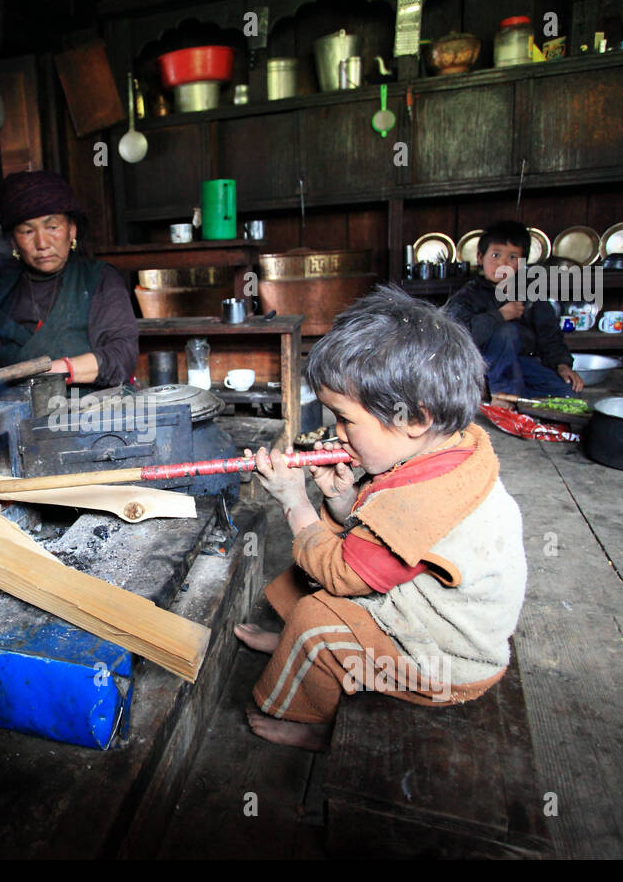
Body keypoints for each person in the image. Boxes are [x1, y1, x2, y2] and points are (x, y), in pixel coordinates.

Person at [236, 286, 527, 750]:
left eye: (347, 419)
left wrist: (295, 502)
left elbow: (345, 573)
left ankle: (318, 724)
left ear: (415, 417)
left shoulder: (424, 501)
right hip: (418, 604)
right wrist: (343, 500)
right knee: (313, 555)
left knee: (317, 615)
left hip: (449, 658)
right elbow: (379, 541)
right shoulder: (447, 445)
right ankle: (289, 644)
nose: (337, 432)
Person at [0, 171, 138, 387]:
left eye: (52, 227)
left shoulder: (100, 279)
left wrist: (58, 370)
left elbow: (121, 357)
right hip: (17, 412)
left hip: (92, 411)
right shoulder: (0, 290)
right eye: (27, 231)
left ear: (71, 230)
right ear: (13, 242)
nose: (42, 243)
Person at [444, 220, 584, 397]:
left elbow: (549, 334)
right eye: (495, 255)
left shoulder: (530, 293)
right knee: (507, 331)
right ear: (480, 257)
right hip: (478, 368)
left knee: (568, 391)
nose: (503, 263)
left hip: (518, 366)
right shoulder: (468, 296)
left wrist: (562, 364)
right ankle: (503, 396)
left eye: (512, 257)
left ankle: (495, 393)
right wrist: (499, 316)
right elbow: (458, 337)